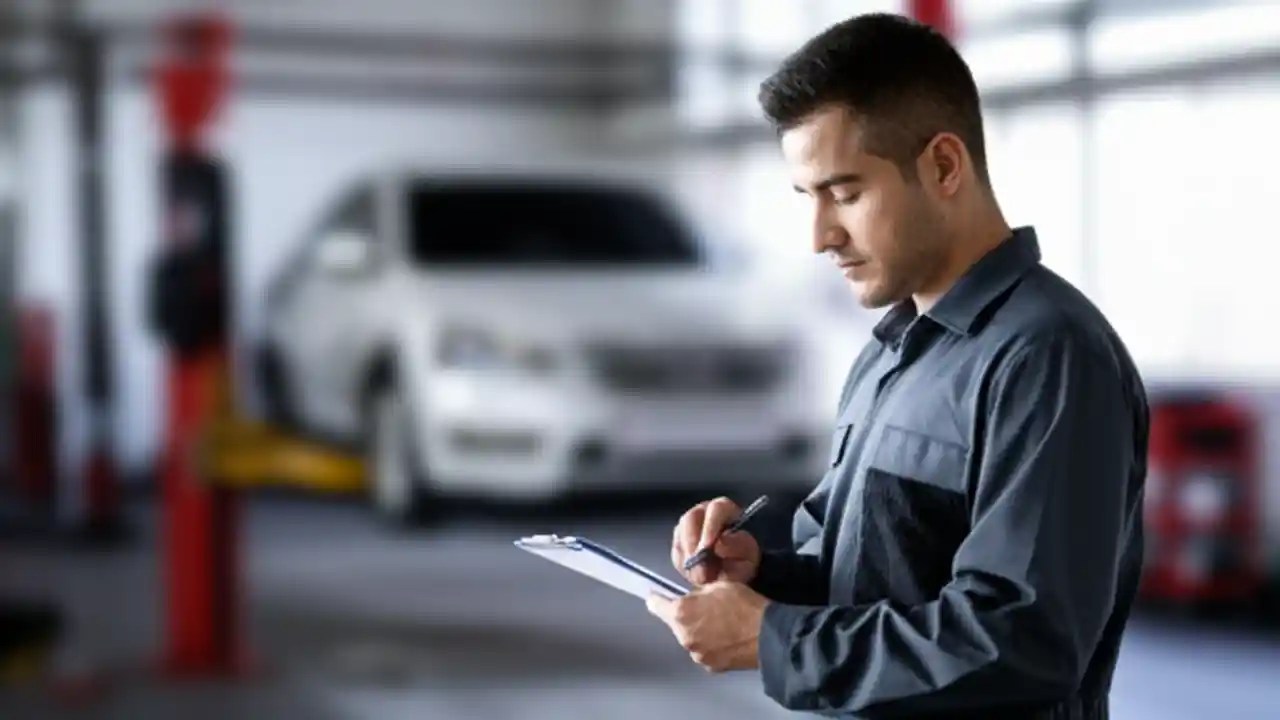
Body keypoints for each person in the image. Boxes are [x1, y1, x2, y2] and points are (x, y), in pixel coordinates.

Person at [646, 13, 1148, 720]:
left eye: (845, 194)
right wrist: (763, 579)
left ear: (944, 166)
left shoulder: (1048, 358)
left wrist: (772, 637)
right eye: (808, 198)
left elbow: (1022, 641)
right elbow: (863, 581)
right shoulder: (890, 353)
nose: (820, 236)